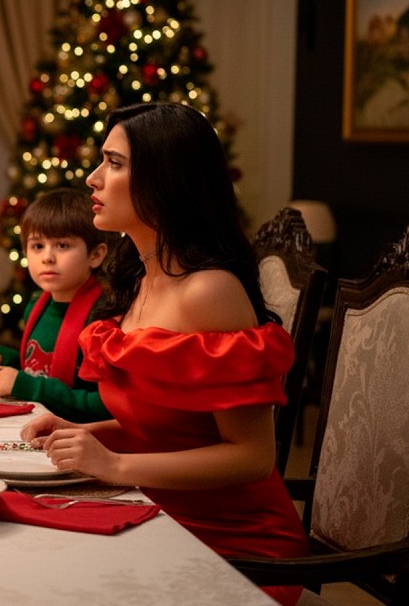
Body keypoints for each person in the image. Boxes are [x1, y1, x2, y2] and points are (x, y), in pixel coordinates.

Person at [19, 102, 307, 606]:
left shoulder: (208, 291)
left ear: (165, 180)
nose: (92, 178)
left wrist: (114, 467)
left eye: (113, 163)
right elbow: (164, 426)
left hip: (236, 551)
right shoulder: (141, 280)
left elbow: (253, 458)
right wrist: (82, 432)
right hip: (156, 516)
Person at [0, 188, 112, 421]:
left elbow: (105, 406)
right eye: (37, 246)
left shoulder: (101, 319)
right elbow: (42, 366)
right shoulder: (37, 307)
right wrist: (5, 358)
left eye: (62, 245)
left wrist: (29, 387)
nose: (47, 257)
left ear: (96, 255)